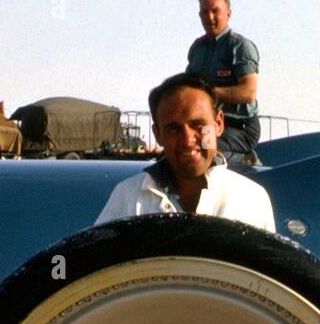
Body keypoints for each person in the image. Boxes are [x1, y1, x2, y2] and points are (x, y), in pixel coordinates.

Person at [95, 73, 275, 232]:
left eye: (198, 125)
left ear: (219, 124)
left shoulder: (252, 200)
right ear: (157, 134)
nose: (188, 140)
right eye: (174, 129)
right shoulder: (128, 197)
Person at [186, 0, 261, 165]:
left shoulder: (240, 47)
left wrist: (207, 94)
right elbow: (187, 87)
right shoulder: (197, 49)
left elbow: (248, 92)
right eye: (205, 12)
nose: (210, 17)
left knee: (204, 149)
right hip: (208, 125)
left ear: (228, 13)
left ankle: (245, 160)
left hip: (240, 128)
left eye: (215, 11)